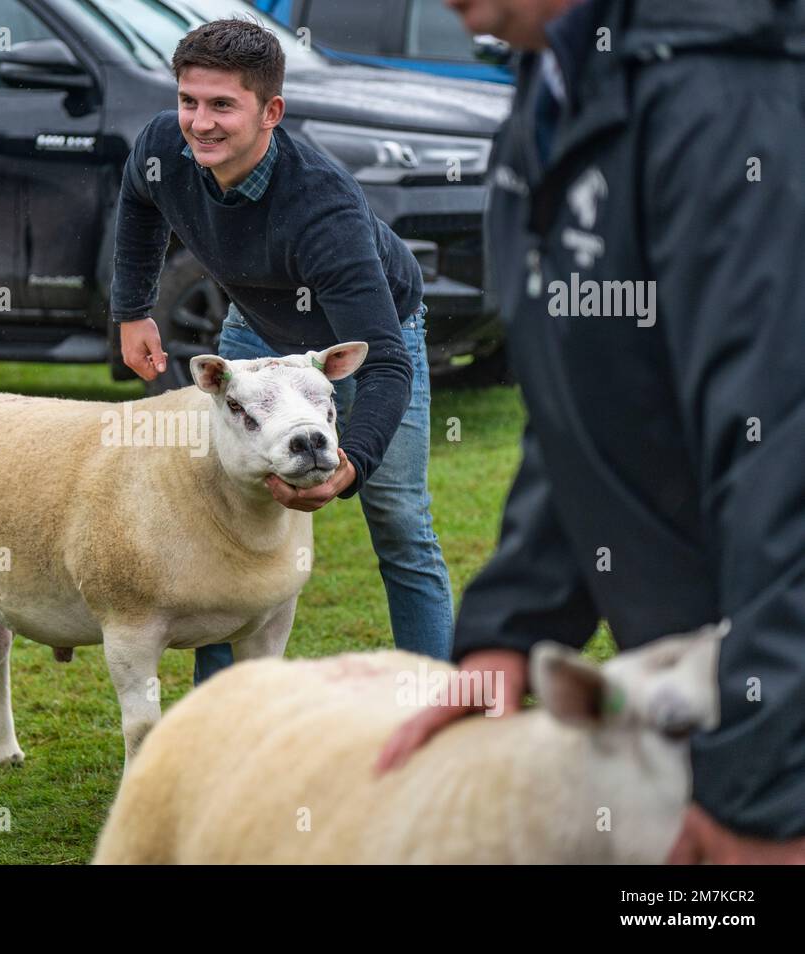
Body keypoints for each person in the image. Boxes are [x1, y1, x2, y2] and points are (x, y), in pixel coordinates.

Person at [377, 0, 805, 863]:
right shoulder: (563, 82)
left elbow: (786, 442)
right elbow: (590, 398)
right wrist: (512, 628)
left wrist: (768, 797)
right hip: (713, 704)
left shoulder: (734, 89)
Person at [110, 18, 454, 683]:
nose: (199, 122)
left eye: (222, 106)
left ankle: (436, 703)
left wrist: (353, 465)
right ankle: (220, 710)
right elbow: (138, 203)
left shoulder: (324, 213)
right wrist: (131, 313)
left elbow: (384, 364)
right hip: (258, 326)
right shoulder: (162, 146)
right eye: (189, 101)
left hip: (368, 331)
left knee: (399, 522)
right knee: (221, 512)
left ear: (271, 112)